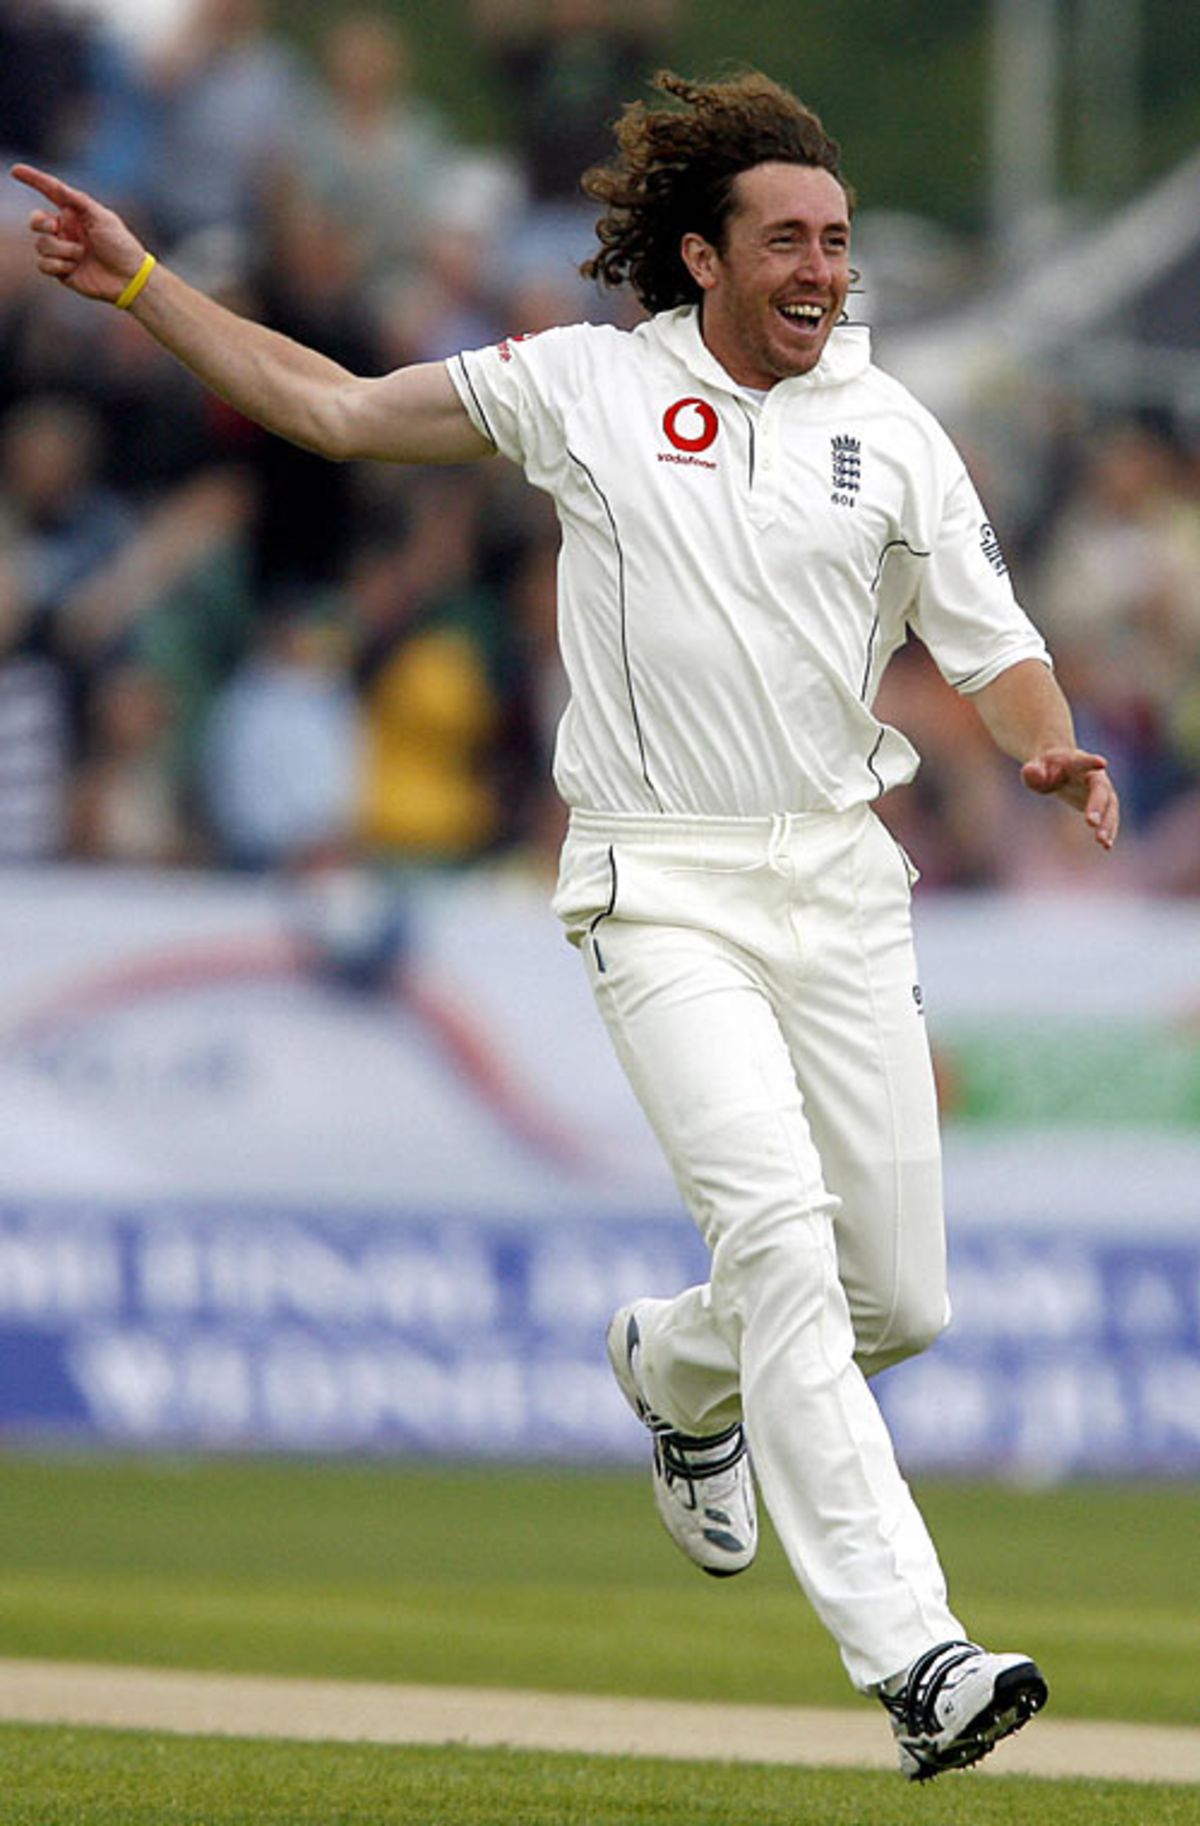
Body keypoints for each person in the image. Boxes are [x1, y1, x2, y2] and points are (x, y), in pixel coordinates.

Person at [12, 67, 1120, 1781]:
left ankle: (677, 1373)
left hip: (841, 885)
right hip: (657, 885)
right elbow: (336, 410)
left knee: (896, 1299)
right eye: (789, 240)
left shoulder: (892, 428)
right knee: (778, 1239)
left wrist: (1047, 741)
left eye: (837, 240)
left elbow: (995, 639)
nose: (825, 268)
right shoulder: (589, 387)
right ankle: (921, 1656)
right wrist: (149, 286)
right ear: (705, 257)